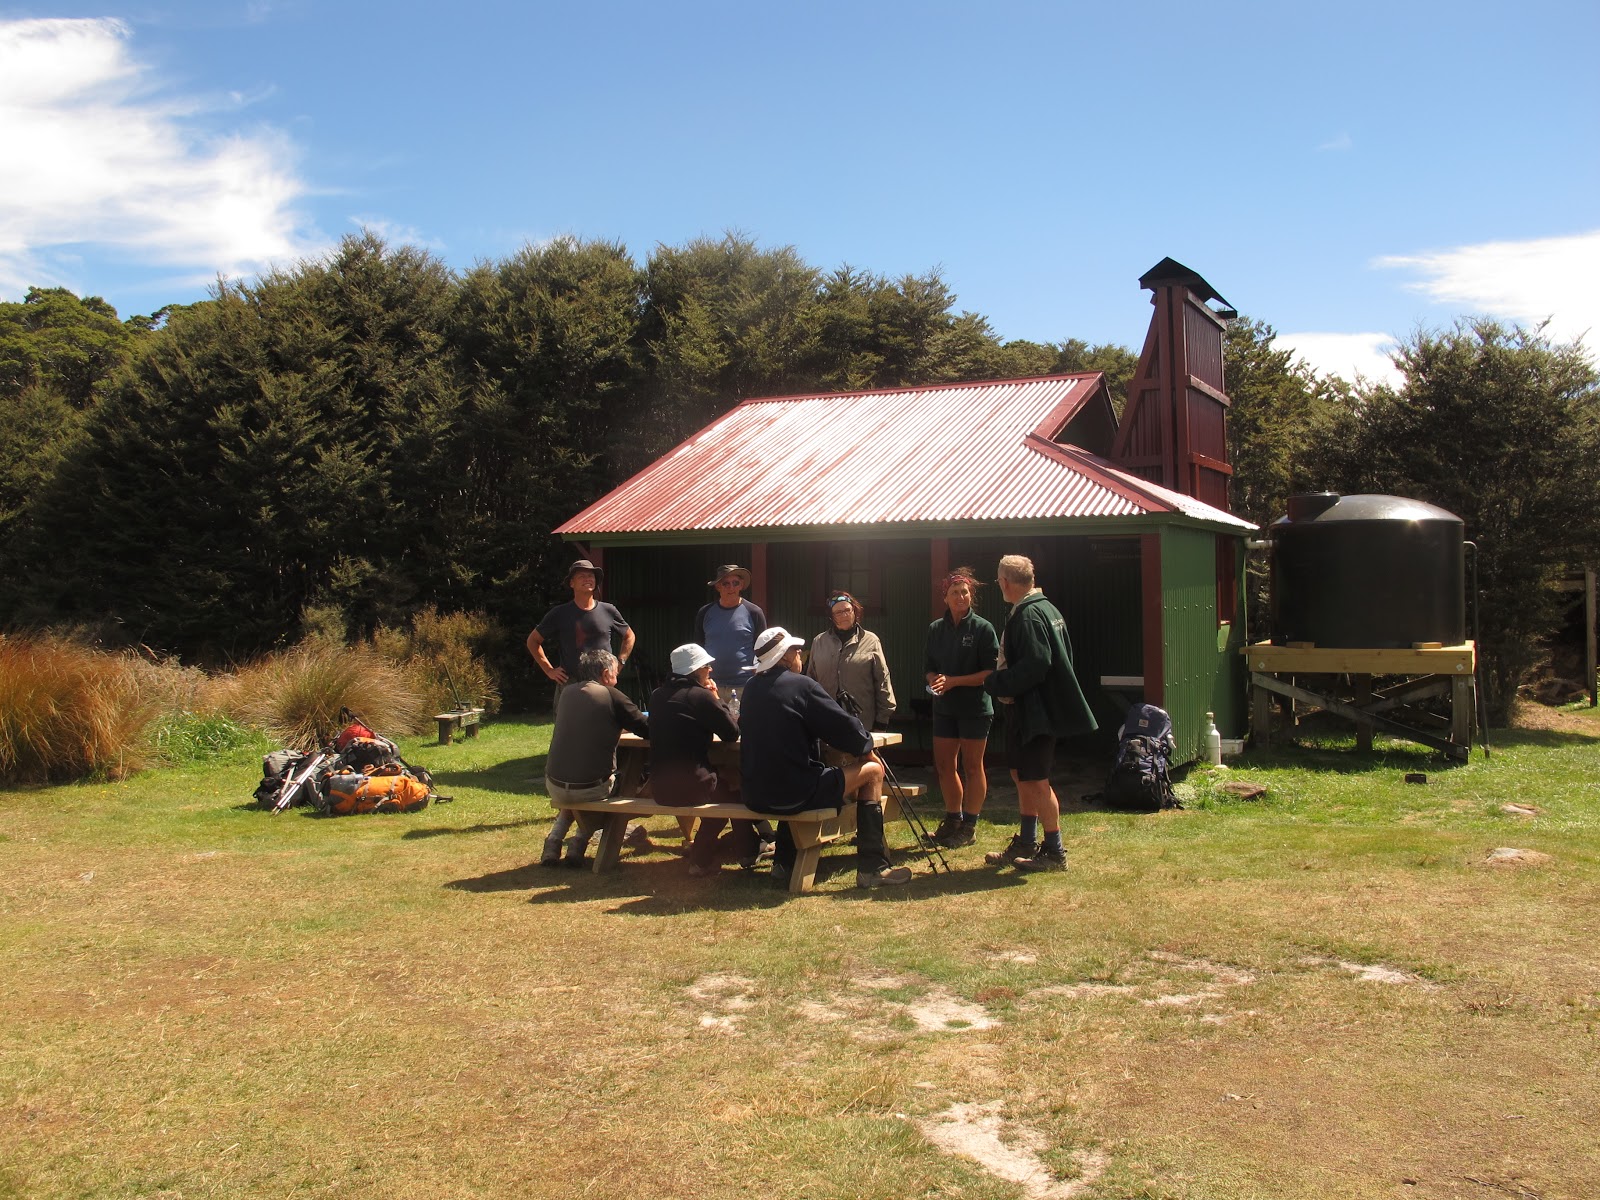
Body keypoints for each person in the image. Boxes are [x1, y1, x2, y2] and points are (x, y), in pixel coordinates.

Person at [740, 627, 911, 888]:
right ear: (784, 656)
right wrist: (866, 748)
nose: (801, 654)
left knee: (789, 772)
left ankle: (784, 863)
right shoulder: (802, 685)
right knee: (873, 771)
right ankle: (873, 868)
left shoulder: (751, 688)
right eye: (796, 650)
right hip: (794, 794)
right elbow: (844, 728)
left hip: (755, 794)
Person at [981, 554, 1097, 871]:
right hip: (1029, 710)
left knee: (1036, 779)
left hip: (1035, 712)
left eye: (999, 581)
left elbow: (1037, 664)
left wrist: (995, 682)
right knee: (1022, 775)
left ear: (1005, 582)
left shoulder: (1030, 616)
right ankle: (1027, 842)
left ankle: (1055, 852)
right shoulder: (1045, 608)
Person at [648, 643, 758, 876]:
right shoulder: (700, 696)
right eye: (707, 665)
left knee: (726, 788)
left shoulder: (657, 696)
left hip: (658, 786)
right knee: (734, 795)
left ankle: (746, 849)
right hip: (692, 785)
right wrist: (716, 698)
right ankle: (719, 856)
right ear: (695, 669)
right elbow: (731, 733)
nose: (710, 669)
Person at [541, 649, 649, 867]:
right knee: (626, 783)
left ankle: (553, 841)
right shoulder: (611, 695)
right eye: (616, 672)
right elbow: (647, 729)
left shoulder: (567, 693)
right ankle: (578, 843)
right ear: (606, 673)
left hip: (554, 784)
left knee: (579, 780)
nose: (617, 677)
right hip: (591, 789)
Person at [924, 568, 1000, 848]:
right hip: (944, 707)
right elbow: (929, 668)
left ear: (971, 595)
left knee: (972, 767)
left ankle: (969, 825)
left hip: (975, 708)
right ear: (945, 597)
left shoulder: (983, 628)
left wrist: (954, 681)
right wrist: (935, 681)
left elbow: (990, 672)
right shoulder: (936, 628)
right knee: (945, 766)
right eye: (954, 592)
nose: (960, 597)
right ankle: (953, 819)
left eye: (964, 592)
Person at [527, 559, 635, 698]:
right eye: (581, 576)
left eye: (590, 576)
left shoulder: (608, 610)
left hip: (603, 681)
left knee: (604, 713)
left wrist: (621, 662)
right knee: (568, 714)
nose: (587, 579)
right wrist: (549, 670)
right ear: (572, 583)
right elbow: (533, 641)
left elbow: (629, 636)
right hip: (570, 683)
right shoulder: (559, 613)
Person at [806, 590, 896, 733]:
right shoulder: (819, 642)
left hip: (862, 725)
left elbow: (882, 681)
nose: (844, 615)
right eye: (838, 612)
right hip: (826, 725)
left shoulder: (871, 640)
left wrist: (881, 722)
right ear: (831, 617)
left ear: (855, 611)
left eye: (847, 610)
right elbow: (811, 682)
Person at [694, 563, 767, 711]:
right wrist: (703, 681)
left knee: (745, 725)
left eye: (735, 583)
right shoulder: (705, 613)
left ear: (742, 585)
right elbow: (698, 649)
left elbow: (764, 650)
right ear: (718, 586)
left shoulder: (754, 612)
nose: (731, 587)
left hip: (745, 685)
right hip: (712, 686)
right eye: (725, 583)